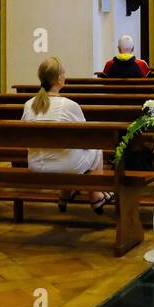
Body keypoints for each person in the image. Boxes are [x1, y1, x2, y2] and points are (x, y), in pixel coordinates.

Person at [22, 57, 112, 212]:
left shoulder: (29, 104)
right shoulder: (69, 105)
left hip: (35, 165)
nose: (65, 76)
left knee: (69, 152)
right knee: (96, 149)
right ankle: (95, 195)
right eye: (63, 73)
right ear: (58, 79)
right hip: (65, 166)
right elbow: (86, 138)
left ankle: (65, 193)